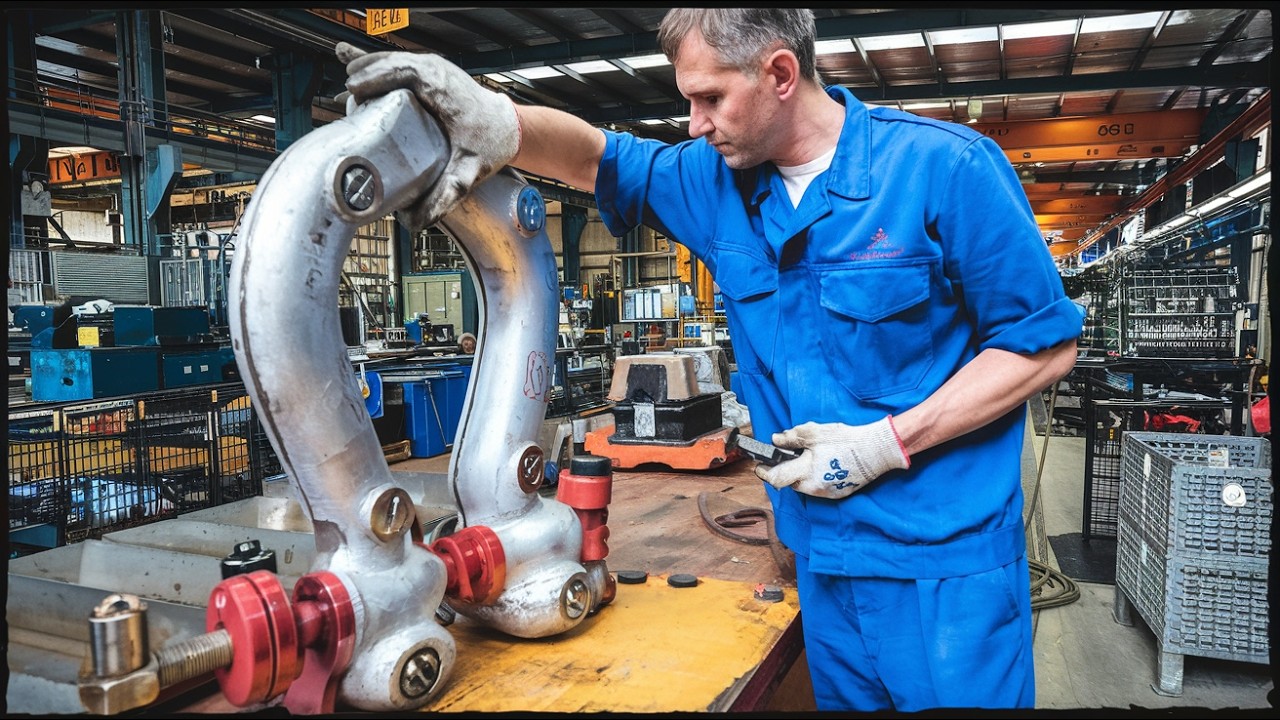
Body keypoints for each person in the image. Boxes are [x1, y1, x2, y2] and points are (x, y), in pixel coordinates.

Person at [337, 8, 1081, 712]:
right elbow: (596, 155)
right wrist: (497, 119)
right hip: (820, 564)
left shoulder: (942, 170)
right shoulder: (715, 181)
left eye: (710, 98)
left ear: (780, 73)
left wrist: (886, 444)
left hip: (943, 573)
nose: (694, 122)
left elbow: (1044, 347)